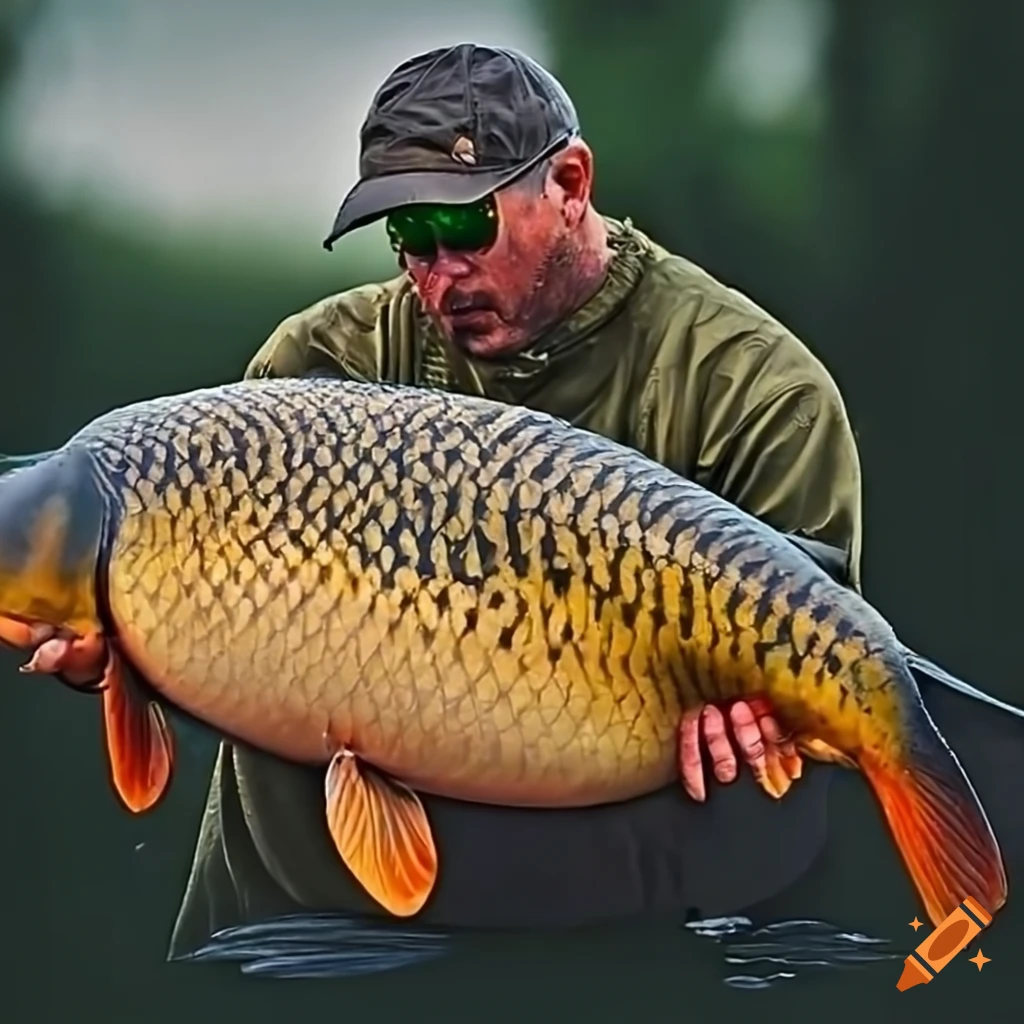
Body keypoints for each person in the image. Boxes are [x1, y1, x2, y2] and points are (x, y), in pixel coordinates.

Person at [15, 43, 866, 946]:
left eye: (461, 226)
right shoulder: (317, 369)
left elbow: (827, 659)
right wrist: (115, 646)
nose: (435, 272)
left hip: (636, 938)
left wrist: (769, 727)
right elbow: (224, 653)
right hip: (299, 926)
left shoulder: (756, 391)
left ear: (570, 184)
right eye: (408, 237)